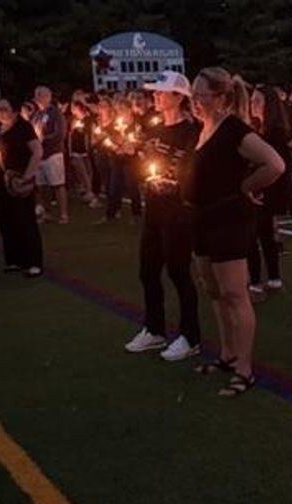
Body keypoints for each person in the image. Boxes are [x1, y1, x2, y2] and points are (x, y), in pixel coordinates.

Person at [187, 67, 285, 396]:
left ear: (222, 98)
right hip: (203, 219)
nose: (195, 101)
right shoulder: (203, 128)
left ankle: (244, 368)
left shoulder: (234, 130)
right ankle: (227, 355)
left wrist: (245, 187)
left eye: (201, 95)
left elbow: (275, 164)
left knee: (234, 293)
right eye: (193, 95)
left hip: (229, 219)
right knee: (214, 291)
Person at [123, 71, 202, 362]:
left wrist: (176, 183)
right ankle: (154, 329)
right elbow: (146, 163)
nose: (155, 96)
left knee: (179, 272)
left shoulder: (192, 132)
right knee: (148, 271)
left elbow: (194, 173)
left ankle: (190, 336)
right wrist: (134, 154)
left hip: (179, 212)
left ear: (179, 97)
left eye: (161, 92)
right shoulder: (154, 129)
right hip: (154, 209)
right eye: (154, 92)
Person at [0, 99, 44, 277]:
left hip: (19, 179)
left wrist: (27, 177)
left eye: (6, 109)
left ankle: (33, 261)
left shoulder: (23, 127)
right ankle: (13, 259)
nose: (2, 113)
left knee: (25, 219)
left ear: (15, 111)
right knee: (5, 219)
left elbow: (37, 151)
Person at [248, 85, 292, 296]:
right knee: (261, 234)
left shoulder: (275, 132)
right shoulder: (255, 128)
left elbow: (279, 165)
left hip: (265, 188)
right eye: (252, 100)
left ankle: (263, 279)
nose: (252, 105)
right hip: (258, 187)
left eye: (257, 101)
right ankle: (266, 277)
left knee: (259, 234)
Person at [31, 86, 69, 224]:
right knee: (42, 185)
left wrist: (44, 140)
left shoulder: (56, 113)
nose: (37, 98)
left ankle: (63, 214)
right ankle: (46, 212)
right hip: (39, 155)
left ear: (48, 97)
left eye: (40, 95)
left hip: (53, 153)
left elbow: (60, 134)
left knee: (58, 184)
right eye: (36, 95)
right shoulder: (36, 115)